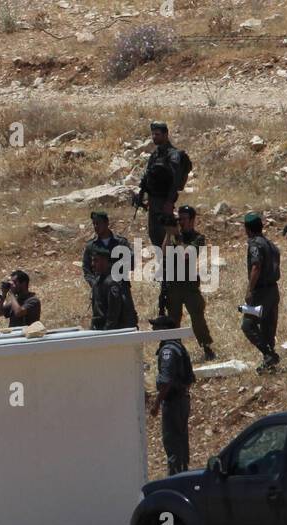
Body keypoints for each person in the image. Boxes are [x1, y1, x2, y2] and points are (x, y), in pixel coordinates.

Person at [159, 205, 216, 361]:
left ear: (192, 220)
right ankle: (174, 350)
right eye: (179, 219)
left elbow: (186, 255)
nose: (181, 222)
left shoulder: (198, 238)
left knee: (198, 318)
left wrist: (177, 236)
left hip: (189, 286)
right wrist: (168, 233)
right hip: (173, 286)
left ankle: (206, 347)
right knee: (173, 320)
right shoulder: (174, 236)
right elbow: (164, 253)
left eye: (183, 219)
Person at [134, 121, 191, 249]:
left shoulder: (173, 154)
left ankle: (173, 264)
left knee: (165, 234)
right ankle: (163, 263)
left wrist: (169, 202)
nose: (154, 137)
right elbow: (149, 176)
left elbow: (175, 180)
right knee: (154, 233)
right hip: (154, 200)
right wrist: (142, 195)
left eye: (157, 134)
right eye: (153, 134)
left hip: (164, 200)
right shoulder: (156, 154)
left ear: (166, 135)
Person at [150, 314, 195, 475]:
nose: (153, 330)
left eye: (156, 327)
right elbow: (190, 378)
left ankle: (176, 476)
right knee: (181, 439)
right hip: (182, 399)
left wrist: (156, 404)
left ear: (165, 330)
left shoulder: (167, 350)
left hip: (173, 401)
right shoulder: (179, 347)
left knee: (172, 441)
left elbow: (166, 381)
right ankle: (183, 473)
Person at [242, 211, 282, 373]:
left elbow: (256, 266)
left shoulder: (254, 244)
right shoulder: (270, 244)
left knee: (248, 325)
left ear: (247, 229)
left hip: (261, 292)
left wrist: (249, 289)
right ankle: (269, 363)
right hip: (273, 290)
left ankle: (269, 354)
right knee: (267, 328)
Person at [82, 211, 132, 289]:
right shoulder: (91, 246)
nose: (95, 226)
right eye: (94, 224)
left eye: (98, 223)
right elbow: (86, 269)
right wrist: (94, 283)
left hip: (120, 287)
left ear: (106, 223)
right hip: (100, 289)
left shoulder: (121, 243)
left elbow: (131, 263)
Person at [90, 248, 138, 330]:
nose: (92, 264)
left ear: (107, 262)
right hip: (101, 329)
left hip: (116, 331)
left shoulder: (112, 283)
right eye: (93, 261)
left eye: (96, 261)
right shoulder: (98, 281)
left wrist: (107, 333)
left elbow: (113, 314)